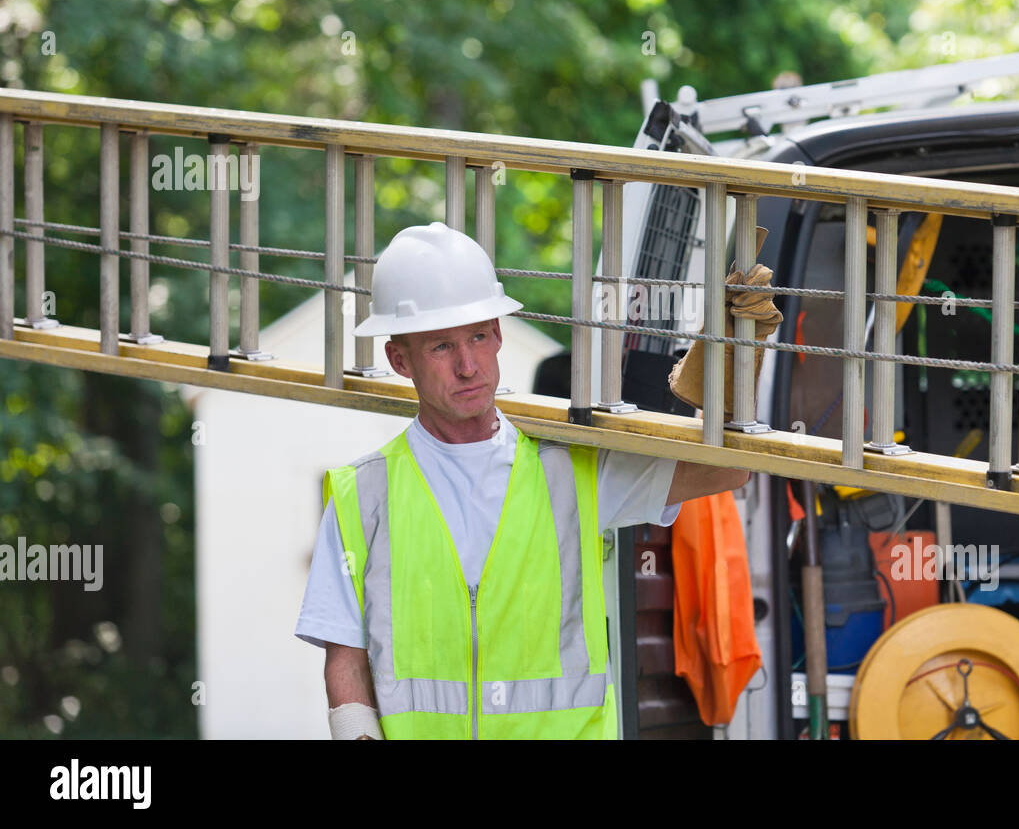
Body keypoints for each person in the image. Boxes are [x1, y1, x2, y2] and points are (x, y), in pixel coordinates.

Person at [295, 222, 768, 740]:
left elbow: (729, 468)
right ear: (399, 360)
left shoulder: (572, 470)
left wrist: (732, 360)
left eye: (478, 335)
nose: (468, 365)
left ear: (498, 335)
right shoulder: (360, 496)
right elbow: (345, 660)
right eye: (440, 347)